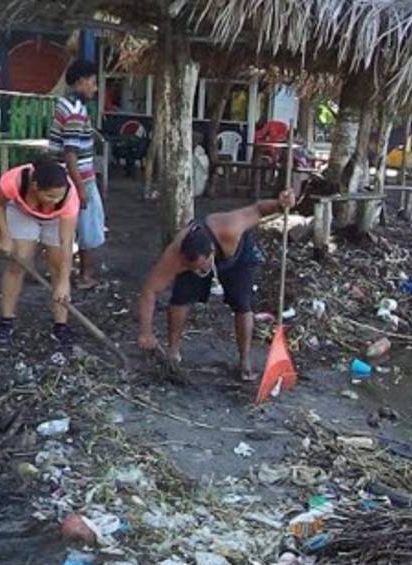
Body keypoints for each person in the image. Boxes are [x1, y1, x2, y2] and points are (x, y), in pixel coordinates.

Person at [137, 189, 297, 381]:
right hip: (199, 255)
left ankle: (244, 360)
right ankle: (173, 352)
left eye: (201, 266)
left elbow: (258, 210)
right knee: (180, 298)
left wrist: (280, 204)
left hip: (238, 256)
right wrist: (146, 332)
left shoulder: (231, 226)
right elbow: (149, 290)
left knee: (242, 303)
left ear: (210, 252)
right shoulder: (175, 256)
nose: (199, 271)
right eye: (192, 266)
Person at [0, 159, 79, 347]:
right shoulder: (13, 181)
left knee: (58, 263)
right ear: (35, 186)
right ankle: (6, 321)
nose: (55, 201)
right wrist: (4, 235)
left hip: (56, 220)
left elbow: (66, 242)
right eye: (50, 196)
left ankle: (61, 325)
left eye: (59, 197)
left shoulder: (69, 198)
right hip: (22, 212)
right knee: (18, 262)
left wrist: (63, 281)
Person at [49, 59, 103, 290]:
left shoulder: (64, 104)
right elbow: (70, 152)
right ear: (81, 82)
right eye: (92, 82)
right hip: (78, 177)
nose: (95, 88)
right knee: (90, 228)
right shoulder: (75, 112)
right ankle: (85, 276)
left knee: (63, 229)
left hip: (64, 177)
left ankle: (60, 272)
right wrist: (81, 187)